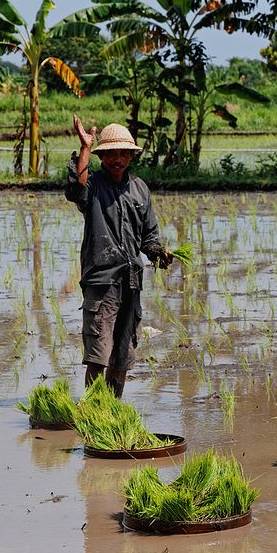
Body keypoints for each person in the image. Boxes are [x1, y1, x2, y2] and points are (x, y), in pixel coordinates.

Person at [66, 115, 173, 398]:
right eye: (111, 153)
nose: (117, 159)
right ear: (102, 157)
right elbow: (76, 189)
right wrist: (85, 147)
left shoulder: (140, 189)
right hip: (102, 279)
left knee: (123, 352)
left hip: (131, 280)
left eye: (122, 153)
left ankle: (113, 408)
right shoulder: (94, 185)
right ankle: (94, 408)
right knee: (99, 351)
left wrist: (158, 253)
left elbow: (149, 235)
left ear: (130, 156)